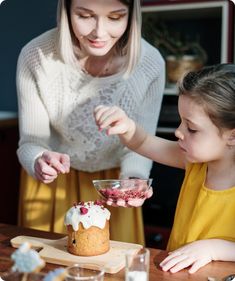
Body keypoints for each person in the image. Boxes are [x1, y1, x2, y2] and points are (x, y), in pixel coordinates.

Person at [16, 0, 165, 244]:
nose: (99, 32)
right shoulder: (36, 56)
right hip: (53, 184)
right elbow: (31, 143)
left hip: (116, 185)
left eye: (115, 17)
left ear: (131, 14)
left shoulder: (150, 64)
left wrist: (134, 179)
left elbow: (141, 143)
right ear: (65, 10)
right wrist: (38, 159)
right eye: (85, 15)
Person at [94, 63, 235, 273]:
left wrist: (214, 248)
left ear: (232, 135)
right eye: (181, 122)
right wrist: (126, 127)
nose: (178, 131)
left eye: (192, 128)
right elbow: (143, 143)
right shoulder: (195, 163)